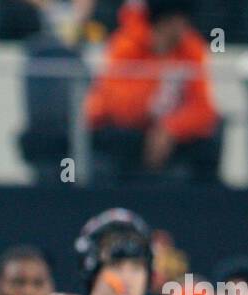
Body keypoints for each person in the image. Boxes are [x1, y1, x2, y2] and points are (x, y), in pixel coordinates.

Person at [84, 0, 221, 183]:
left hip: (168, 133)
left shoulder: (191, 48)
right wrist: (158, 74)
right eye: (179, 22)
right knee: (119, 142)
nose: (184, 28)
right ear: (164, 22)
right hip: (124, 132)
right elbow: (117, 106)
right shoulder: (126, 44)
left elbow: (204, 110)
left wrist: (170, 128)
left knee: (207, 146)